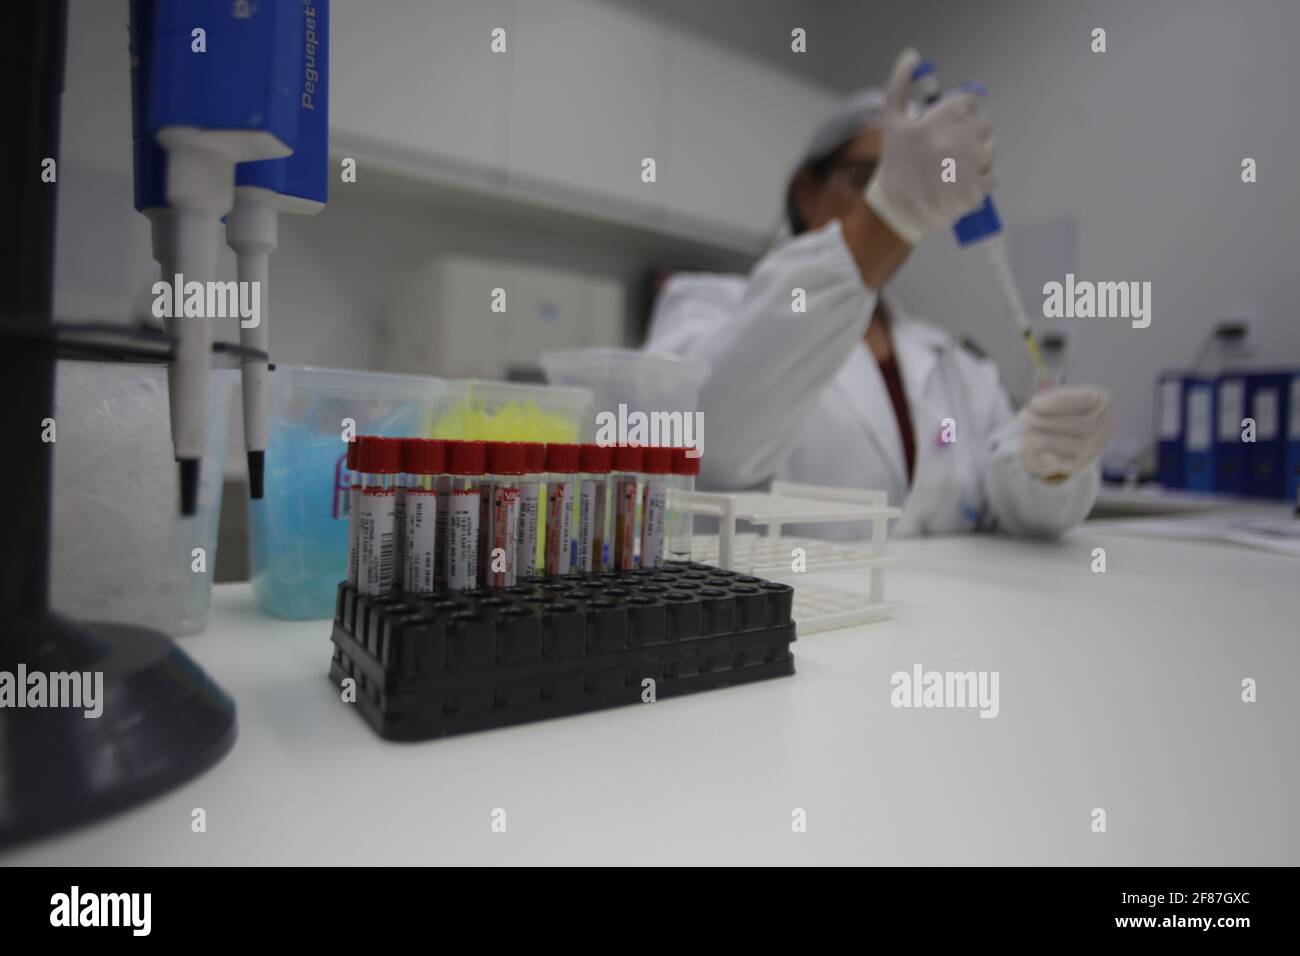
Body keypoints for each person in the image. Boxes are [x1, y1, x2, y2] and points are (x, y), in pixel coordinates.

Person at [644, 49, 1113, 537]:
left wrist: (1049, 464)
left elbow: (1012, 498)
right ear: (806, 191)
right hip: (791, 612)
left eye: (901, 178)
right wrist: (887, 215)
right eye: (867, 179)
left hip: (948, 615)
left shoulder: (955, 365)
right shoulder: (704, 307)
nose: (886, 197)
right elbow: (704, 441)